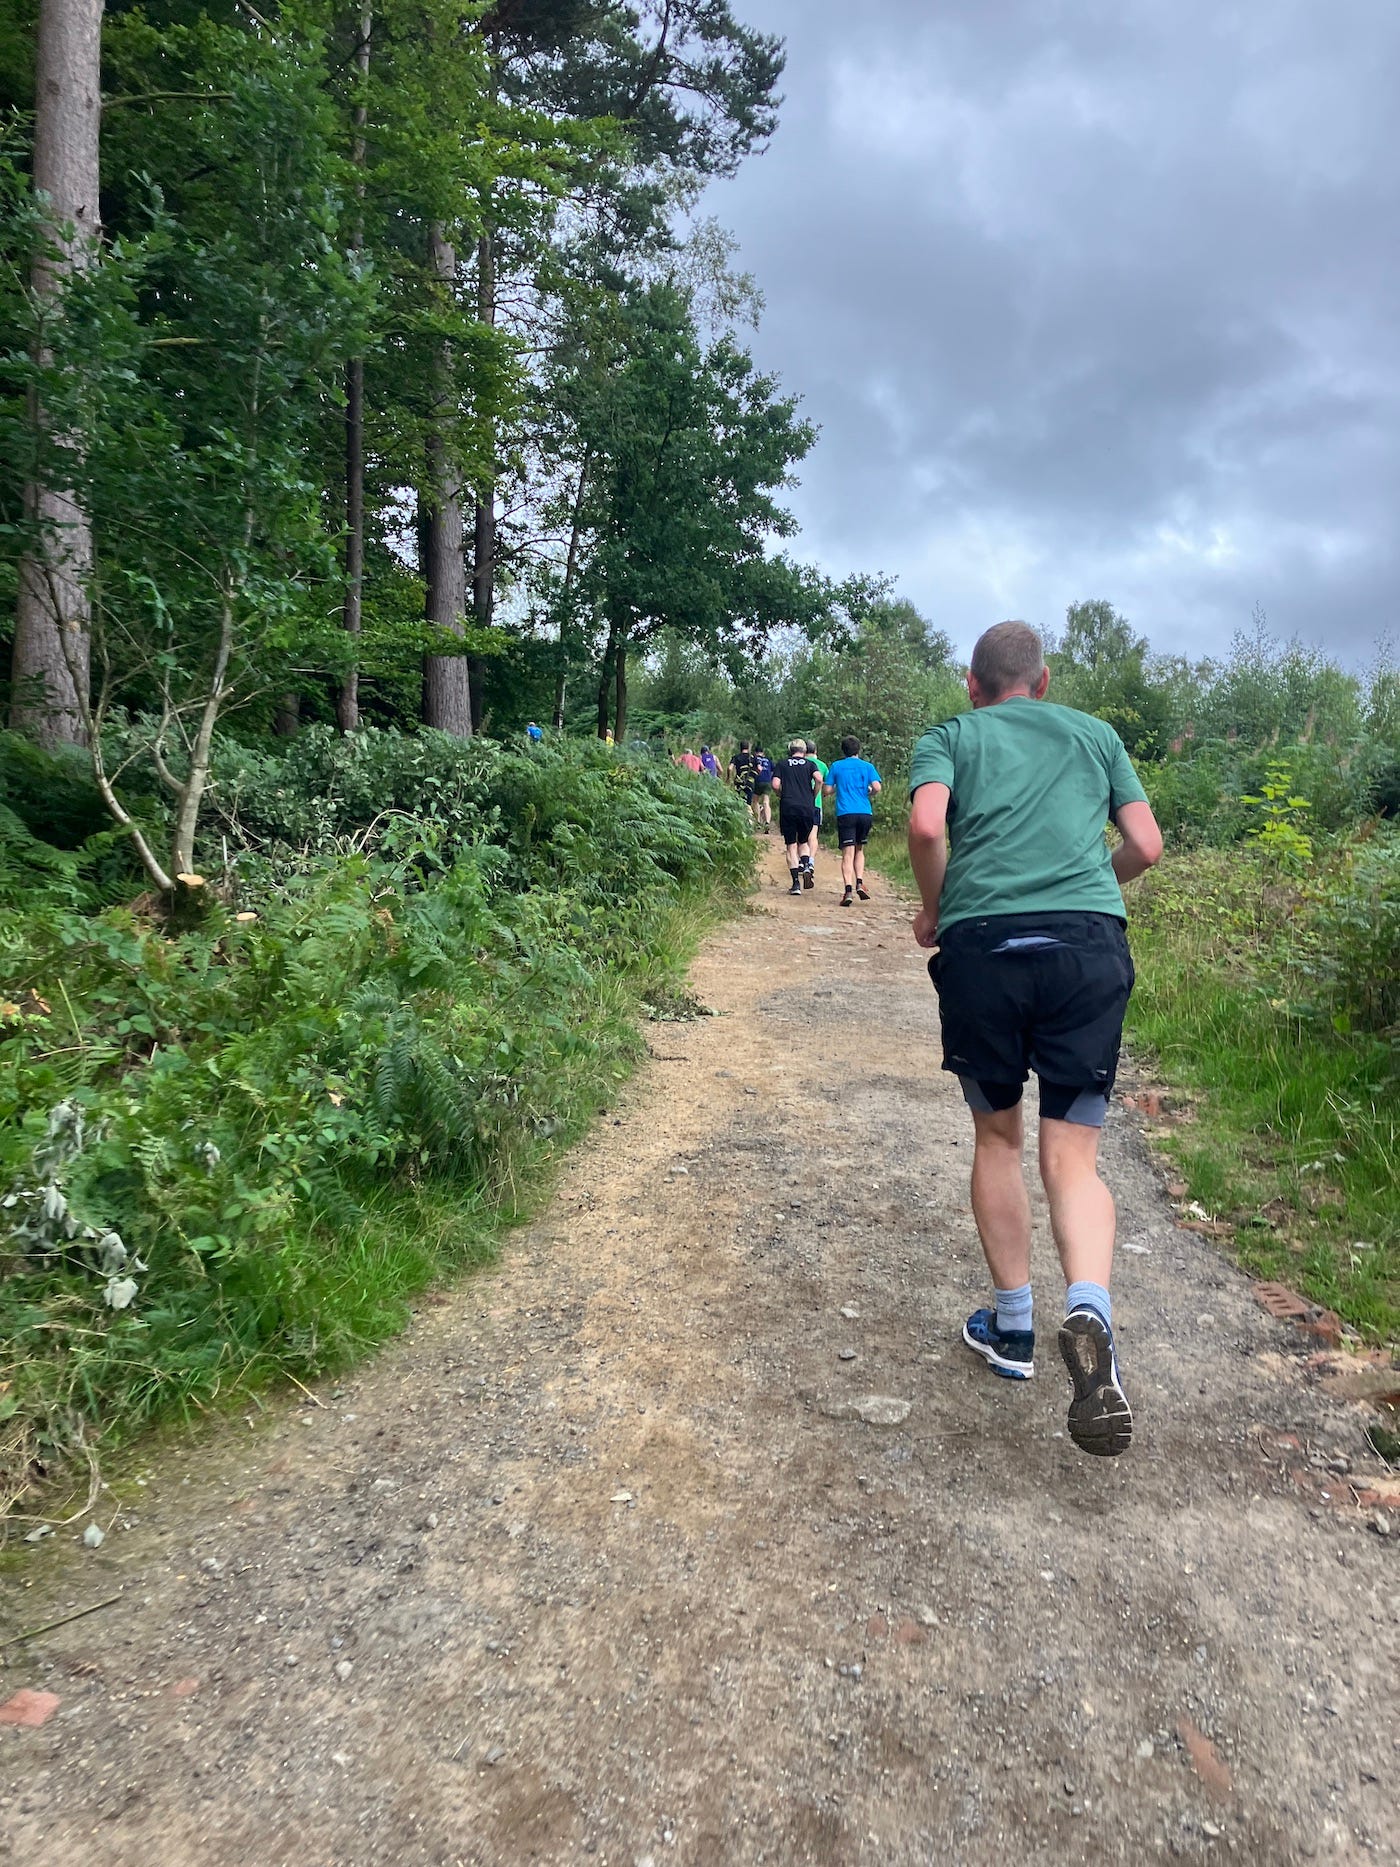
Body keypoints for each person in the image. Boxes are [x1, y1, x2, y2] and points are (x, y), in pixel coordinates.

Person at [907, 620, 1163, 1458]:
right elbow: (1146, 845)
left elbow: (926, 827)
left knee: (997, 1137)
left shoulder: (951, 735)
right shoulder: (1095, 734)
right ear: (1043, 681)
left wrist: (935, 909)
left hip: (985, 948)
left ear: (972, 684)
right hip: (1087, 947)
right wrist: (1092, 886)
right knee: (1073, 1157)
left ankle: (1013, 1328)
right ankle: (1089, 1309)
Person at [823, 734, 882, 905]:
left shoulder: (837, 766)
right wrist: (869, 792)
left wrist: (837, 787)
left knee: (847, 853)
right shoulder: (867, 766)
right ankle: (860, 882)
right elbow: (877, 787)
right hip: (864, 812)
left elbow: (827, 790)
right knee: (859, 849)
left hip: (845, 813)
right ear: (858, 750)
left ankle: (848, 890)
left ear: (843, 750)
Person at [771, 738, 819, 894]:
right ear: (804, 751)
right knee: (803, 841)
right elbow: (819, 779)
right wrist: (813, 794)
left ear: (790, 750)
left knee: (791, 845)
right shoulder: (810, 764)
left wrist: (780, 794)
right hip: (806, 807)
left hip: (788, 806)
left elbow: (775, 784)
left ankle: (796, 884)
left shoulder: (782, 764)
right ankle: (806, 866)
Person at [803, 741, 830, 852]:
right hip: (816, 803)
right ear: (815, 751)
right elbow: (828, 785)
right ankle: (811, 859)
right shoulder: (822, 765)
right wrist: (824, 793)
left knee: (801, 834)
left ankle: (802, 857)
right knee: (813, 834)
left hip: (800, 803)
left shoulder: (800, 763)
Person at [729, 740, 761, 826]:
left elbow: (730, 768)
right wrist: (755, 775)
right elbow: (759, 768)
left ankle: (741, 822)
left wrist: (729, 778)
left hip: (739, 782)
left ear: (740, 747)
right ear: (748, 747)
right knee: (748, 803)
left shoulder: (736, 757)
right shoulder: (753, 757)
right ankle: (749, 823)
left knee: (739, 802)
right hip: (750, 782)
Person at [753, 746, 774, 832]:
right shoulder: (768, 760)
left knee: (755, 801)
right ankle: (767, 822)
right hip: (767, 782)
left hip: (757, 781)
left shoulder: (754, 759)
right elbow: (773, 771)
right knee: (766, 802)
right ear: (763, 753)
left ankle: (758, 822)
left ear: (755, 752)